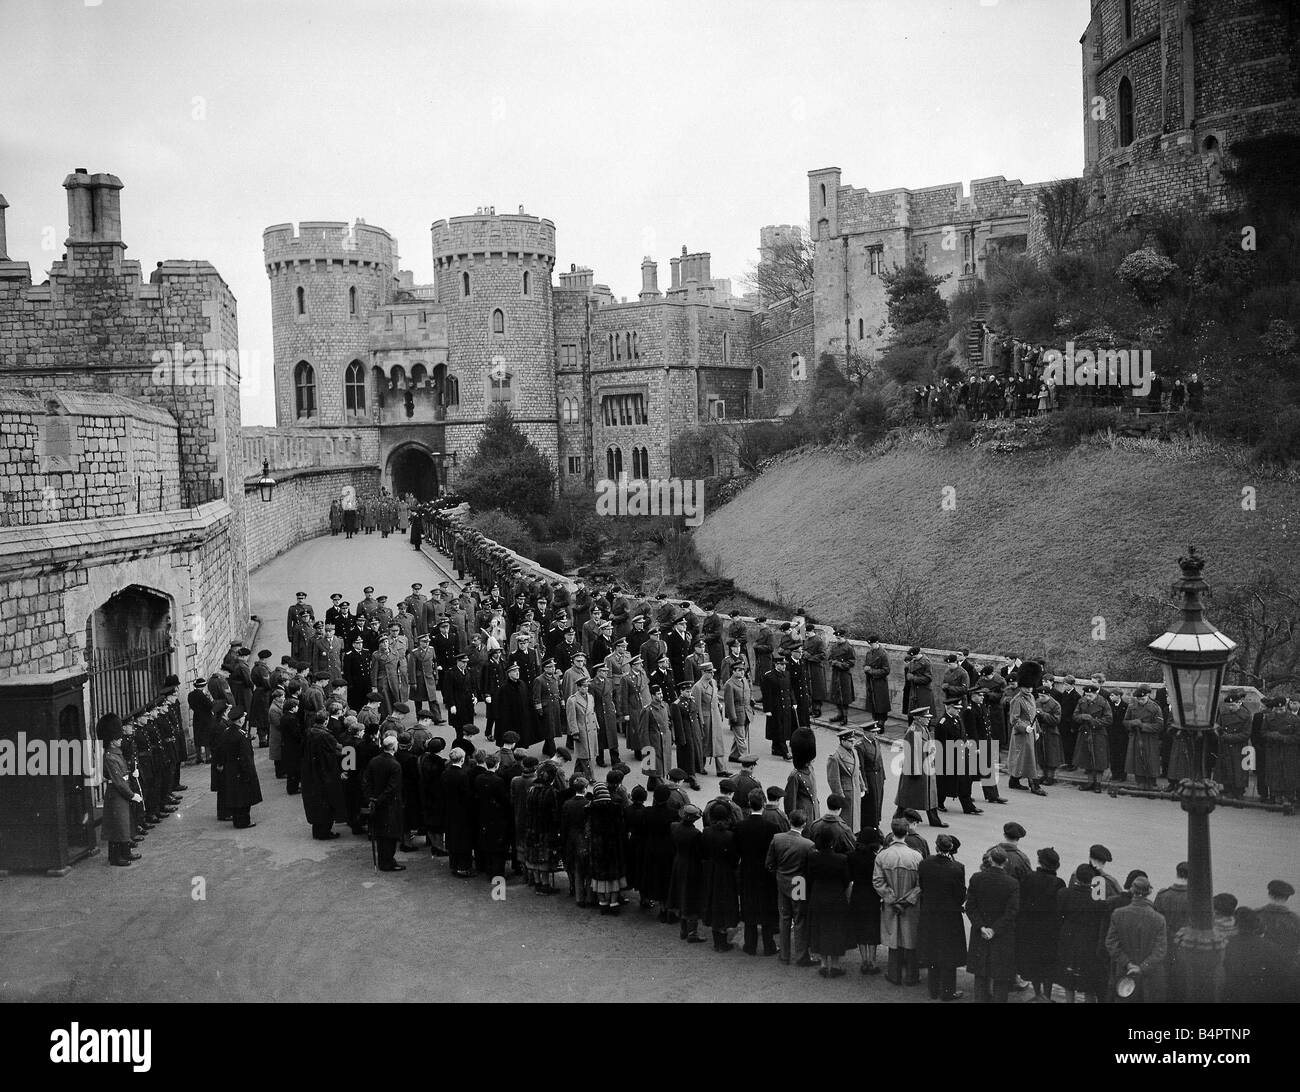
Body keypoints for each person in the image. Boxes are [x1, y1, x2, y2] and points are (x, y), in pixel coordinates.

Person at [874, 817, 924, 986]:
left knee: (893, 940)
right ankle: (912, 976)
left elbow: (878, 882)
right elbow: (920, 884)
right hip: (910, 905)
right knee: (911, 939)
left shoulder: (883, 856)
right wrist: (907, 900)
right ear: (907, 831)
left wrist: (892, 899)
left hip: (891, 905)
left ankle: (894, 974)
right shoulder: (916, 856)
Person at [967, 845, 1020, 1002]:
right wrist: (994, 929)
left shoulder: (977, 878)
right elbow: (1012, 912)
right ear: (1005, 861)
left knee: (981, 974)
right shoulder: (1012, 883)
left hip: (980, 932)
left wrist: (982, 927)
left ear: (990, 860)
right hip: (1002, 934)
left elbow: (970, 906)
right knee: (1001, 975)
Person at [917, 832, 967, 1000]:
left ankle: (933, 989)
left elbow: (922, 887)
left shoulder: (924, 864)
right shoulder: (957, 868)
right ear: (951, 848)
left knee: (932, 950)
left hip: (930, 913)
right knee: (949, 954)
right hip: (950, 916)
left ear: (936, 846)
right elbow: (960, 895)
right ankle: (947, 991)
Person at [1105, 874, 1168, 1002]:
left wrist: (1127, 963)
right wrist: (1141, 967)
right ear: (1149, 892)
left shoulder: (1118, 914)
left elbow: (1111, 943)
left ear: (1132, 890)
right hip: (1148, 975)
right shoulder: (1159, 919)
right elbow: (1160, 950)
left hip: (1123, 972)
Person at [766, 810, 815, 965]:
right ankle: (801, 956)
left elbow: (769, 863)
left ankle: (784, 955)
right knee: (800, 919)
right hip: (798, 882)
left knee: (784, 918)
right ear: (804, 824)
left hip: (782, 881)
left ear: (789, 821)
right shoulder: (808, 844)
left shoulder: (777, 838)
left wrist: (779, 873)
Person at [1056, 863, 1109, 1003]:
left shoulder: (1064, 893)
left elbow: (1059, 916)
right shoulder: (1098, 901)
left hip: (1067, 938)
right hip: (1088, 942)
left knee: (1068, 981)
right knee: (1088, 984)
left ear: (1076, 878)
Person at [735, 790, 779, 956]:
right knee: (767, 908)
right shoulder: (771, 828)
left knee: (749, 907)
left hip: (747, 871)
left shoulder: (740, 826)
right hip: (765, 873)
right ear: (764, 803)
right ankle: (769, 945)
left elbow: (738, 850)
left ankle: (750, 944)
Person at [1018, 846, 1065, 1001]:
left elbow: (1021, 903)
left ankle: (1038, 994)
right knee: (1048, 966)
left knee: (1034, 964)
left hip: (1030, 930)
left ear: (1040, 862)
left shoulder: (1028, 878)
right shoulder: (1058, 883)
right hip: (1050, 932)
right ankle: (1047, 996)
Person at [806, 826, 852, 977]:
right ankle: (836, 965)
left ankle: (824, 964)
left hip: (818, 896)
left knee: (820, 929)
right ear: (833, 841)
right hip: (836, 897)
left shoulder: (813, 857)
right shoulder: (841, 859)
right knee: (835, 931)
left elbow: (809, 877)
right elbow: (846, 880)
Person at [1222, 907, 1291, 1003]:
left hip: (1232, 995)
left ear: (1236, 924)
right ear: (1256, 925)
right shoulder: (1270, 947)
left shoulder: (1226, 944)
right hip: (1259, 995)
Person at [98, 714, 142, 866]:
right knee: (117, 826)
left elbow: (123, 774)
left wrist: (131, 773)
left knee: (124, 824)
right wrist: (132, 795)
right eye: (118, 737)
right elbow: (118, 782)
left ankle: (125, 852)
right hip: (117, 795)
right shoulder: (110, 757)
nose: (121, 739)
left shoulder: (116, 754)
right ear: (112, 740)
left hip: (121, 794)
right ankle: (115, 858)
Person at [895, 706, 946, 827]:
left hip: (926, 768)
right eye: (926, 717)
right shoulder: (914, 731)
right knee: (908, 798)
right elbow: (911, 754)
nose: (928, 720)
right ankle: (897, 819)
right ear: (918, 718)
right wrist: (915, 772)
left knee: (928, 797)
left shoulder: (921, 728)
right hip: (917, 770)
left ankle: (934, 820)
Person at [700, 803, 741, 951]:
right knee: (724, 903)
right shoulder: (729, 836)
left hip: (711, 870)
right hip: (725, 872)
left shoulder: (706, 832)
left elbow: (703, 852)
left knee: (712, 901)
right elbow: (734, 858)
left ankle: (717, 938)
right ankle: (722, 941)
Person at [362, 735, 405, 871]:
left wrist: (371, 798)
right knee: (390, 834)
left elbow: (366, 781)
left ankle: (384, 859)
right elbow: (392, 787)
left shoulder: (374, 761)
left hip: (376, 802)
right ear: (393, 747)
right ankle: (387, 861)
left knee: (381, 833)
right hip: (389, 804)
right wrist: (380, 799)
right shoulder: (395, 765)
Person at [215, 712, 262, 829]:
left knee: (235, 796)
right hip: (241, 769)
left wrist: (221, 763)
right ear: (240, 720)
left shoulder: (226, 732)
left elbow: (219, 750)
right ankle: (244, 821)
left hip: (230, 769)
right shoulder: (241, 735)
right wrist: (249, 772)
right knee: (244, 797)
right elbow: (246, 756)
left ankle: (237, 819)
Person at [1006, 661, 1046, 795]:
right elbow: (1014, 719)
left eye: (1031, 687)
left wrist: (1037, 730)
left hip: (1031, 732)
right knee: (1028, 759)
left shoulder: (1031, 698)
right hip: (1022, 734)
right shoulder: (1017, 700)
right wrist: (1025, 728)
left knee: (1023, 758)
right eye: (1026, 687)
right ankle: (1034, 785)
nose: (1029, 689)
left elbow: (1033, 716)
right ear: (1021, 686)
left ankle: (1014, 780)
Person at [668, 804, 706, 943]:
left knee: (681, 895)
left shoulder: (674, 827)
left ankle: (684, 929)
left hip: (678, 862)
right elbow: (700, 853)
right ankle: (692, 932)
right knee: (691, 897)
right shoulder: (696, 834)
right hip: (691, 866)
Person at [441, 747, 476, 878]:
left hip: (449, 810)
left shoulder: (445, 773)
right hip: (462, 812)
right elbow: (466, 795)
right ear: (462, 759)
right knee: (463, 839)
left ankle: (454, 864)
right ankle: (463, 867)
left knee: (452, 837)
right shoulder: (463, 775)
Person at [1124, 684, 1164, 789]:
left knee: (1150, 760)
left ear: (1147, 696)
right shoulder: (1132, 706)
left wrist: (1142, 726)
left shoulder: (1155, 707)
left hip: (1150, 738)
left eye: (1143, 699)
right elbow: (1125, 721)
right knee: (1137, 760)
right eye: (1139, 699)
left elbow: (1159, 726)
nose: (1141, 701)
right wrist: (1132, 723)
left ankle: (1151, 782)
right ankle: (1140, 782)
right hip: (1136, 737)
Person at [826, 727, 865, 832]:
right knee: (846, 821)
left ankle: (854, 835)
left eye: (853, 741)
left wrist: (862, 785)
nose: (853, 743)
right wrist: (840, 796)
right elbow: (833, 780)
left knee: (856, 819)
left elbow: (858, 770)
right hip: (846, 794)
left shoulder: (854, 752)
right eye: (850, 741)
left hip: (855, 790)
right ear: (843, 741)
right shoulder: (835, 757)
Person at [1257, 879, 1300, 963]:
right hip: (1287, 965)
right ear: (1286, 898)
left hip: (1262, 964)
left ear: (1269, 895)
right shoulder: (1295, 919)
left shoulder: (1256, 914)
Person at [827, 629, 856, 725]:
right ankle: (839, 714)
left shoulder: (849, 648)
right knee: (836, 695)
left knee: (844, 697)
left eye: (839, 638)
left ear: (844, 637)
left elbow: (852, 662)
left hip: (844, 675)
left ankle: (845, 717)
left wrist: (840, 664)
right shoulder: (834, 646)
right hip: (835, 674)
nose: (837, 640)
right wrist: (832, 662)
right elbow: (830, 658)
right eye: (837, 638)